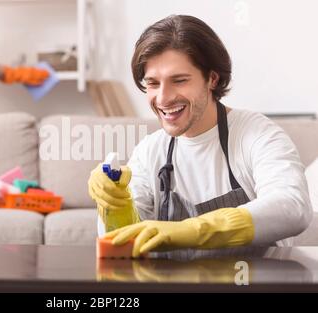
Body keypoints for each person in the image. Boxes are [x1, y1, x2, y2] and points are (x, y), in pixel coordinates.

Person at [88, 15, 312, 258]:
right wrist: (114, 206)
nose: (163, 98)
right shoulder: (150, 151)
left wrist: (195, 229)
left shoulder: (256, 134)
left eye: (179, 80)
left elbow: (293, 207)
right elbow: (121, 245)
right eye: (153, 83)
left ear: (212, 79)